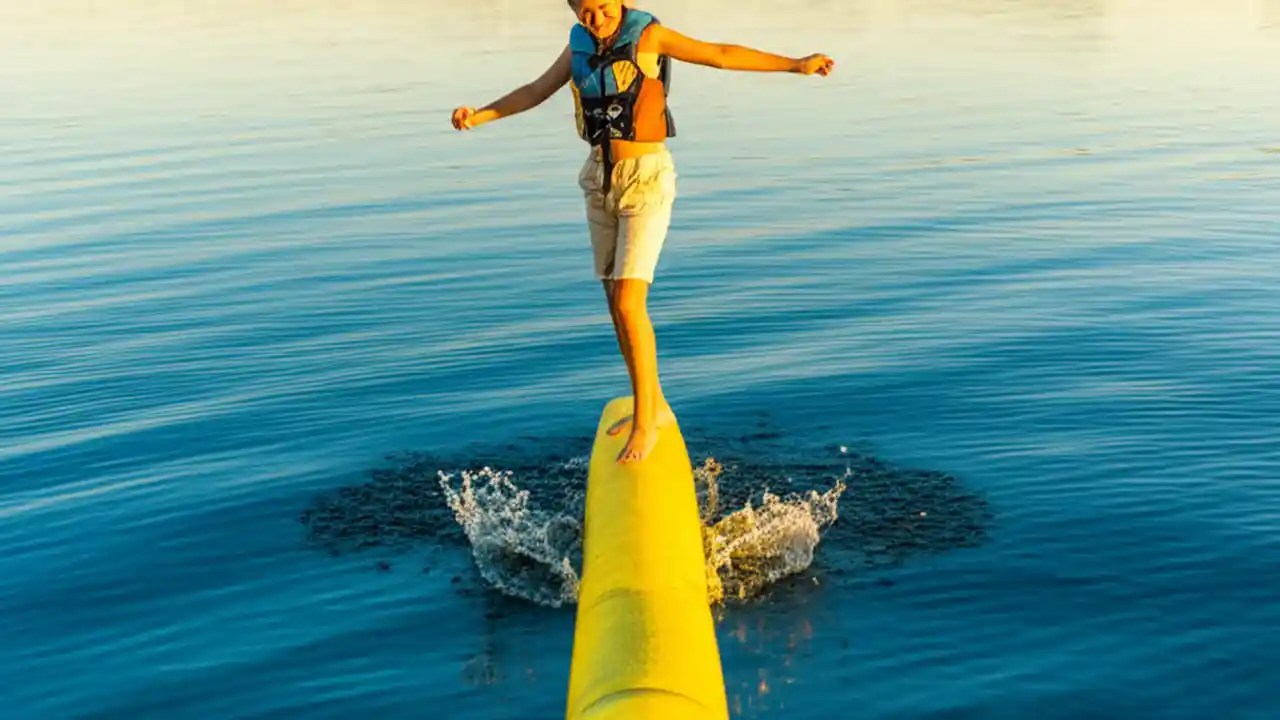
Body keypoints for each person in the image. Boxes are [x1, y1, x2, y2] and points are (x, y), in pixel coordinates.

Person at [451, 0, 834, 463]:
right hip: (599, 180)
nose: (596, 18)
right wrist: (479, 115)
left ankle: (646, 422)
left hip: (646, 180)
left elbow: (721, 54)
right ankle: (646, 404)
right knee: (616, 304)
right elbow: (534, 91)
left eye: (603, 7)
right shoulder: (577, 46)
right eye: (584, 10)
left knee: (632, 301)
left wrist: (796, 64)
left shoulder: (648, 35)